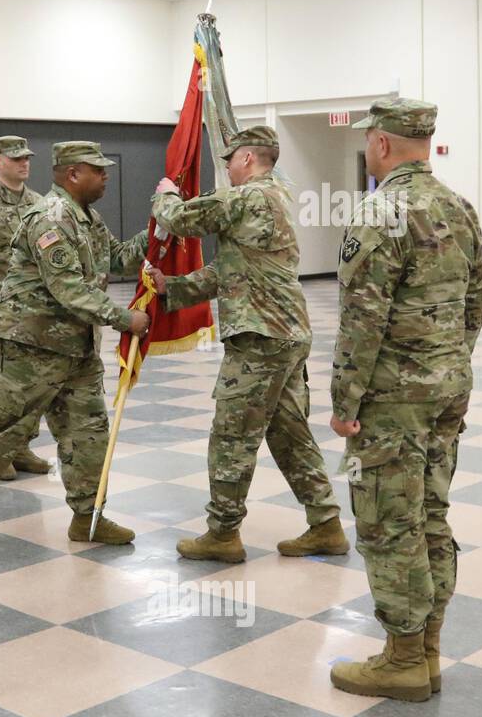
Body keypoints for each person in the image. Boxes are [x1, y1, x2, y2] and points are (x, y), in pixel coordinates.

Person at [328, 97, 482, 702]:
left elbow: (362, 320)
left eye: (371, 138)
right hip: (448, 386)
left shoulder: (381, 210)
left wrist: (346, 401)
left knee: (387, 521)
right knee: (430, 515)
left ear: (384, 144)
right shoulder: (458, 206)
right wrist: (451, 360)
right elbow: (477, 297)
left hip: (393, 398)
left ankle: (401, 659)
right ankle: (428, 651)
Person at [146, 125, 346, 563]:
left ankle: (222, 533)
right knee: (289, 432)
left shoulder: (249, 197)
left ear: (247, 159)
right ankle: (326, 524)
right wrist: (173, 289)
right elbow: (228, 273)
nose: (227, 171)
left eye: (230, 162)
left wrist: (165, 193)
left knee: (231, 436)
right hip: (286, 334)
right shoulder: (275, 198)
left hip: (261, 338)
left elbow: (178, 219)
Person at [0, 141, 150, 545]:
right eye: (97, 171)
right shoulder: (49, 217)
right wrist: (126, 319)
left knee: (88, 437)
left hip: (74, 351)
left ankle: (89, 517)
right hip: (27, 351)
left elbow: (118, 258)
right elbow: (68, 288)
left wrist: (159, 228)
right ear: (72, 174)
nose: (105, 176)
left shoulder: (87, 217)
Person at [0, 135, 50, 477]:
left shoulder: (40, 203)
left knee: (29, 383)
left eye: (27, 158)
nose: (24, 163)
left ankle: (21, 447)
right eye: (16, 159)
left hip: (31, 308)